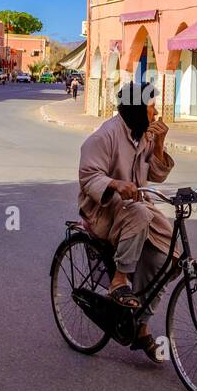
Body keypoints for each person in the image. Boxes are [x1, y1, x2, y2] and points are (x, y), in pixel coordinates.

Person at [77, 81, 173, 361]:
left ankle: (139, 326)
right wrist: (116, 185)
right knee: (141, 213)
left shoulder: (144, 135)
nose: (155, 113)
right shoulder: (104, 136)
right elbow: (89, 176)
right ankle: (119, 280)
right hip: (104, 211)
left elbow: (156, 176)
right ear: (137, 108)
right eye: (151, 106)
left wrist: (159, 146)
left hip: (136, 208)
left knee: (170, 257)